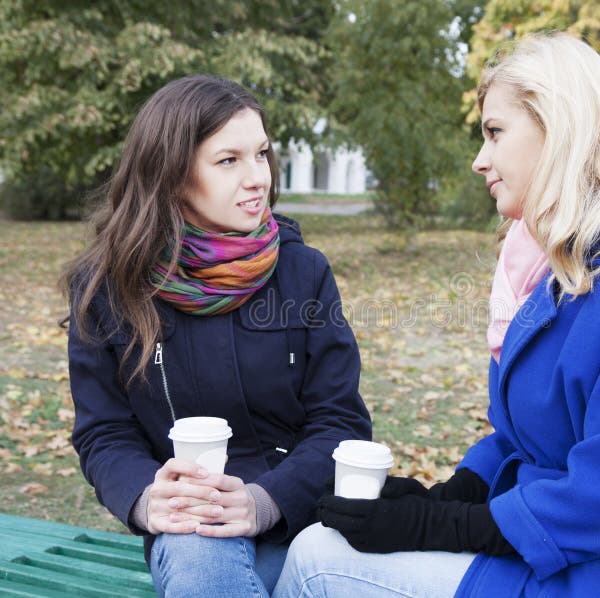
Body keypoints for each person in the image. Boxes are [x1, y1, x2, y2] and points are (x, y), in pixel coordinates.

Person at [273, 32, 600, 598]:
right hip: (554, 538)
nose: (479, 160)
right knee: (326, 542)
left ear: (557, 129)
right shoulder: (556, 264)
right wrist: (449, 494)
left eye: (494, 132)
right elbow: (522, 438)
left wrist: (434, 525)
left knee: (317, 562)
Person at [63, 74, 371, 597]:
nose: (257, 178)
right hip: (191, 525)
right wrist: (146, 497)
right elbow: (104, 431)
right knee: (201, 554)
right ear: (171, 174)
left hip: (302, 515)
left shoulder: (303, 273)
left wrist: (265, 501)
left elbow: (341, 421)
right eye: (228, 160)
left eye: (261, 154)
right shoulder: (107, 287)